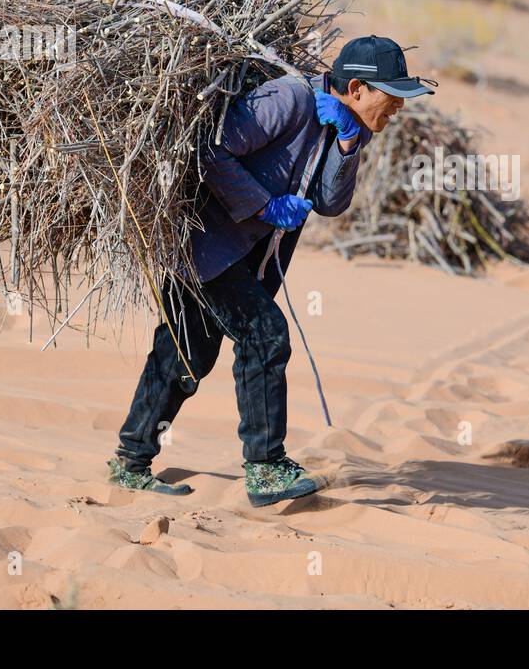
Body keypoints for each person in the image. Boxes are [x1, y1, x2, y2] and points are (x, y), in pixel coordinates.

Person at [107, 35, 436, 506]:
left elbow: (330, 203)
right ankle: (265, 468)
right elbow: (210, 151)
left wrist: (345, 143)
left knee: (186, 352)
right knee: (264, 335)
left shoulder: (348, 125)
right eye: (394, 96)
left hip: (246, 260)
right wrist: (264, 206)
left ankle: (129, 461)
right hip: (204, 243)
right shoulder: (291, 98)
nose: (399, 108)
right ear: (359, 87)